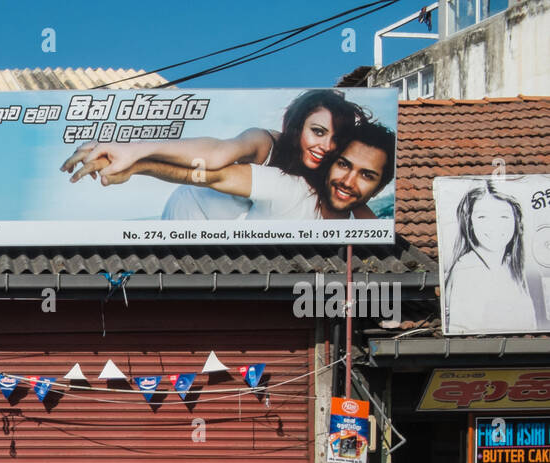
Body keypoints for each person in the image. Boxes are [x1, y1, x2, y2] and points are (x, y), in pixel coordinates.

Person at [62, 90, 365, 220]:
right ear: (298, 126)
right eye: (318, 132)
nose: (325, 146)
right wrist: (132, 153)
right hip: (192, 212)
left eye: (336, 139)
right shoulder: (267, 142)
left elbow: (368, 220)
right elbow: (217, 154)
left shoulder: (332, 175)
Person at [69, 122, 395, 223]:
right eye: (343, 165)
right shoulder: (291, 188)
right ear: (331, 162)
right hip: (190, 218)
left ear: (380, 186)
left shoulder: (365, 226)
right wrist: (136, 164)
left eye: (366, 176)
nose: (348, 182)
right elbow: (212, 172)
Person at [444, 184, 539, 333]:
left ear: (516, 221)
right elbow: (465, 339)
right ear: (470, 223)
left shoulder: (514, 267)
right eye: (483, 216)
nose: (494, 225)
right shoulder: (467, 269)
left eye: (504, 216)